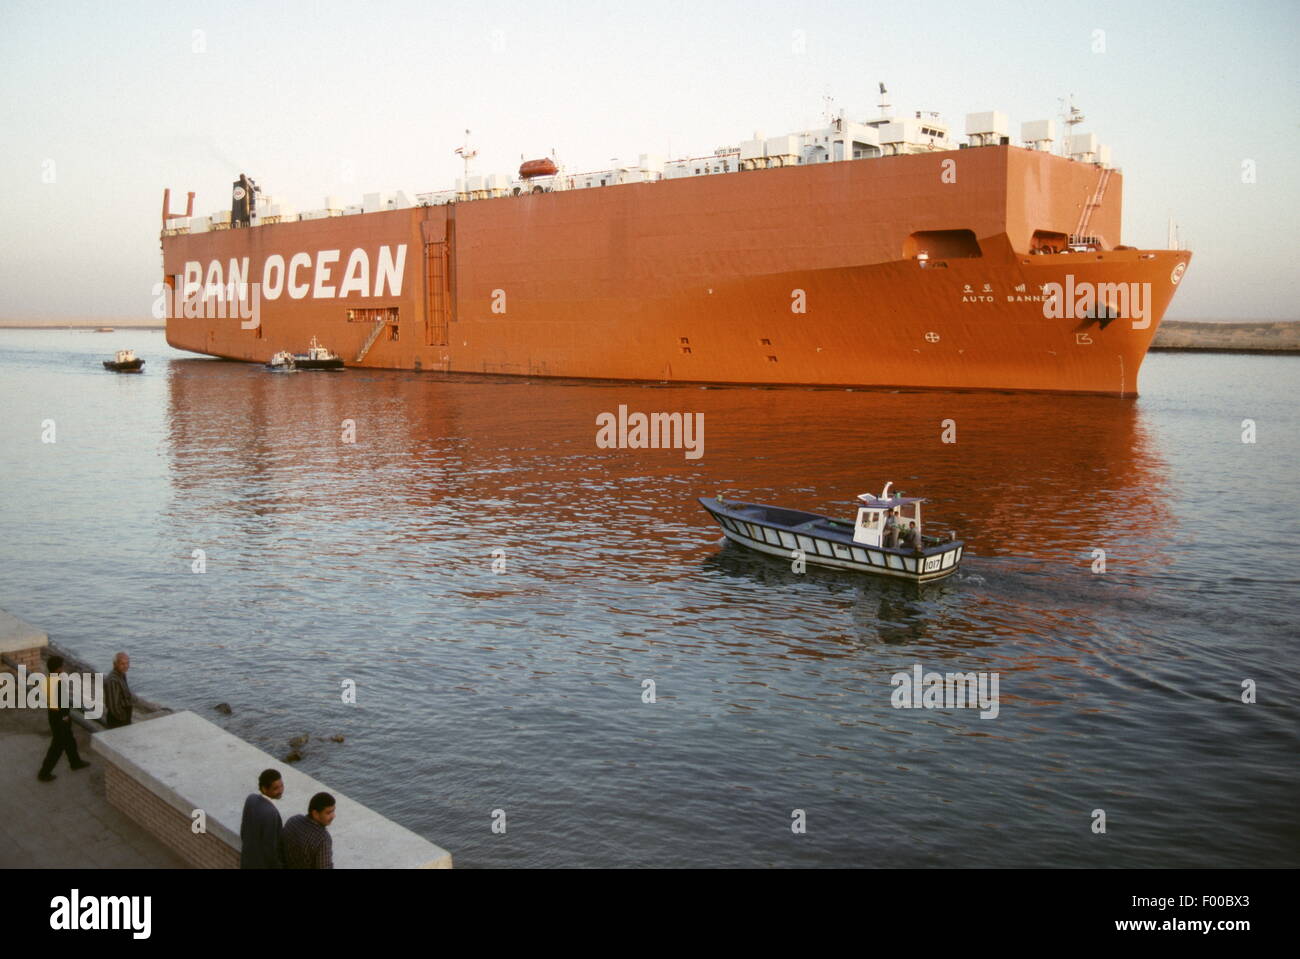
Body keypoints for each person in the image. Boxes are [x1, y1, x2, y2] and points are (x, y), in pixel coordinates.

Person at [37, 655, 89, 781]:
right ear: (58, 669)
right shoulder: (59, 683)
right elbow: (63, 703)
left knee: (69, 741)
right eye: (62, 666)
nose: (63, 668)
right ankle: (44, 773)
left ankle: (75, 762)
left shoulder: (47, 680)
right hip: (60, 719)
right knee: (57, 747)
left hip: (52, 715)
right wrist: (65, 717)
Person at [239, 769, 285, 869]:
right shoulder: (272, 813)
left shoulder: (251, 799)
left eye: (281, 786)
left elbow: (243, 832)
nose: (280, 790)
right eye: (276, 788)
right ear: (264, 789)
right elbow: (271, 850)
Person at [282, 792, 336, 869]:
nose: (333, 816)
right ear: (315, 814)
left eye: (333, 811)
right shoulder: (323, 838)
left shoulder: (293, 820)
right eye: (328, 813)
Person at [103, 651, 133, 728]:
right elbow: (114, 706)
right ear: (115, 664)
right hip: (117, 719)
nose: (126, 666)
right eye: (122, 664)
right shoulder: (113, 680)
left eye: (127, 663)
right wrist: (123, 718)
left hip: (124, 715)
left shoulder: (122, 674)